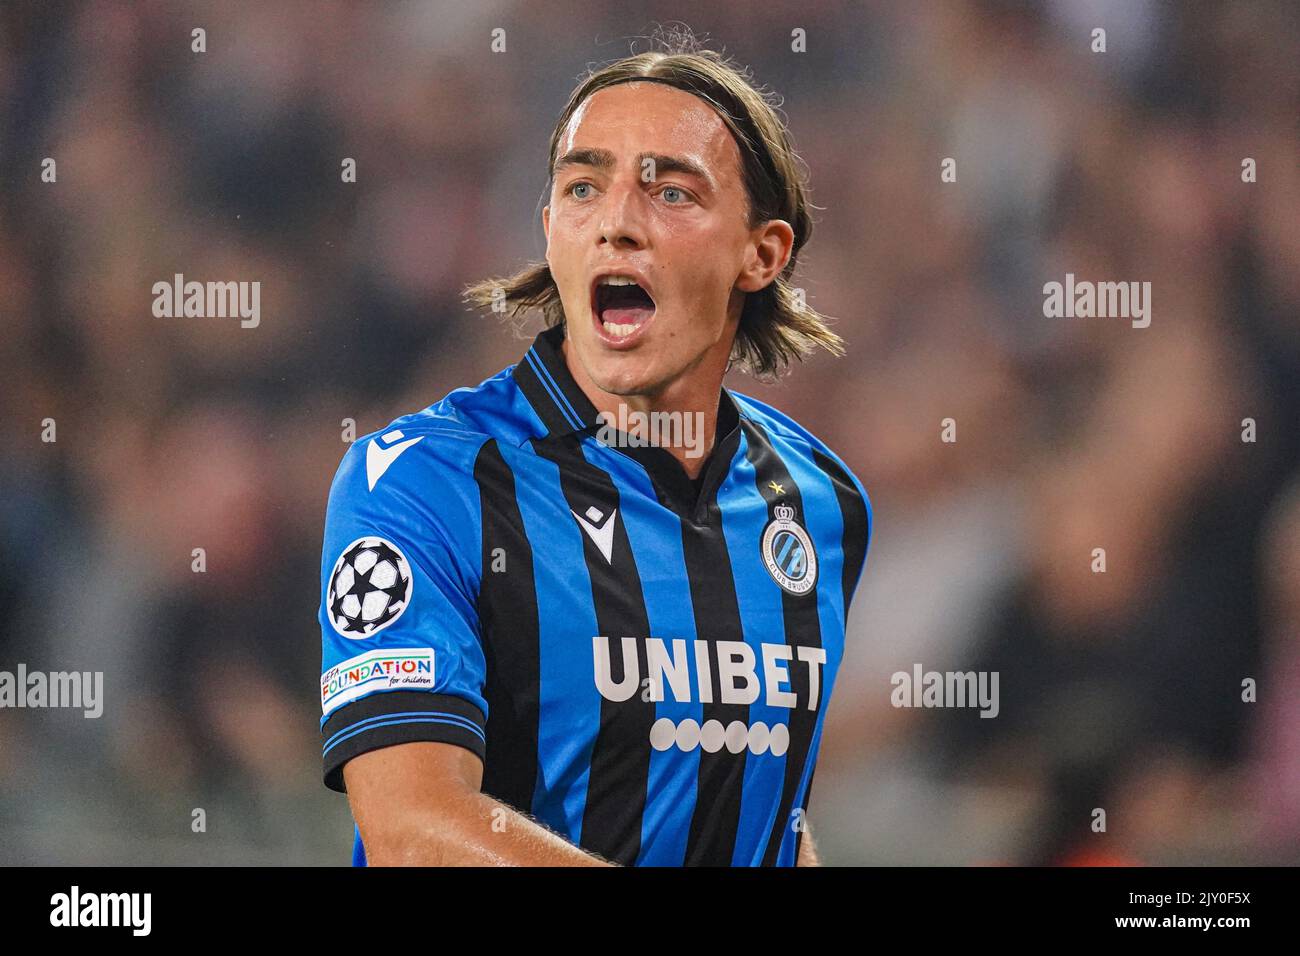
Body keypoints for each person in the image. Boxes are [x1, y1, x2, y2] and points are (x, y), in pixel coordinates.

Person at [318, 36, 871, 866]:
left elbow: (771, 824)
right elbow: (413, 830)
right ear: (550, 232)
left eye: (672, 192)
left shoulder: (818, 500)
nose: (617, 223)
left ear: (764, 253)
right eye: (583, 187)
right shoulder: (424, 480)